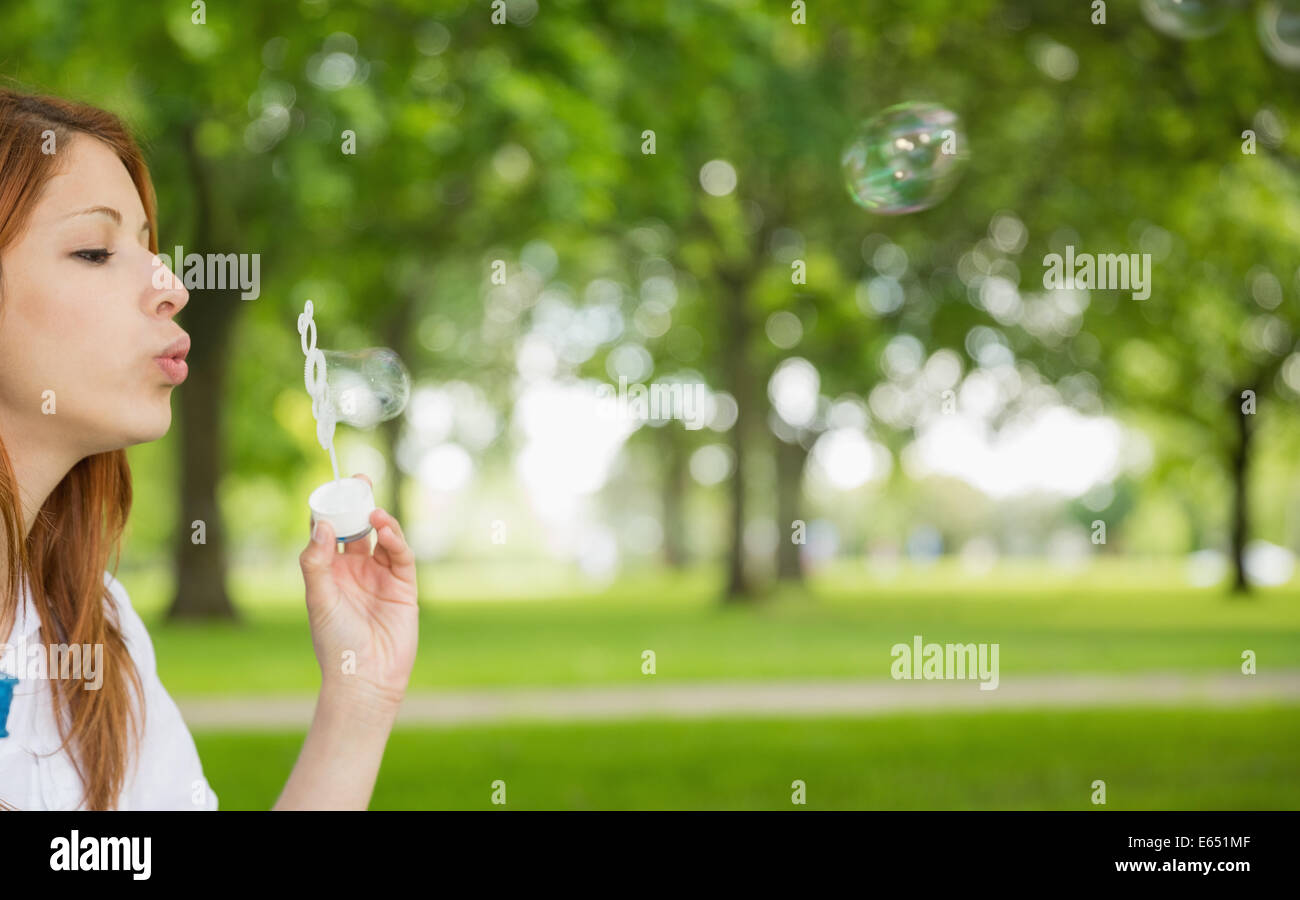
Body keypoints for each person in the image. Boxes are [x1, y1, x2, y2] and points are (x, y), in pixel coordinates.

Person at [0, 88, 419, 810]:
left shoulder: (93, 633)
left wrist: (360, 696)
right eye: (95, 250)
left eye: (151, 249)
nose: (170, 287)